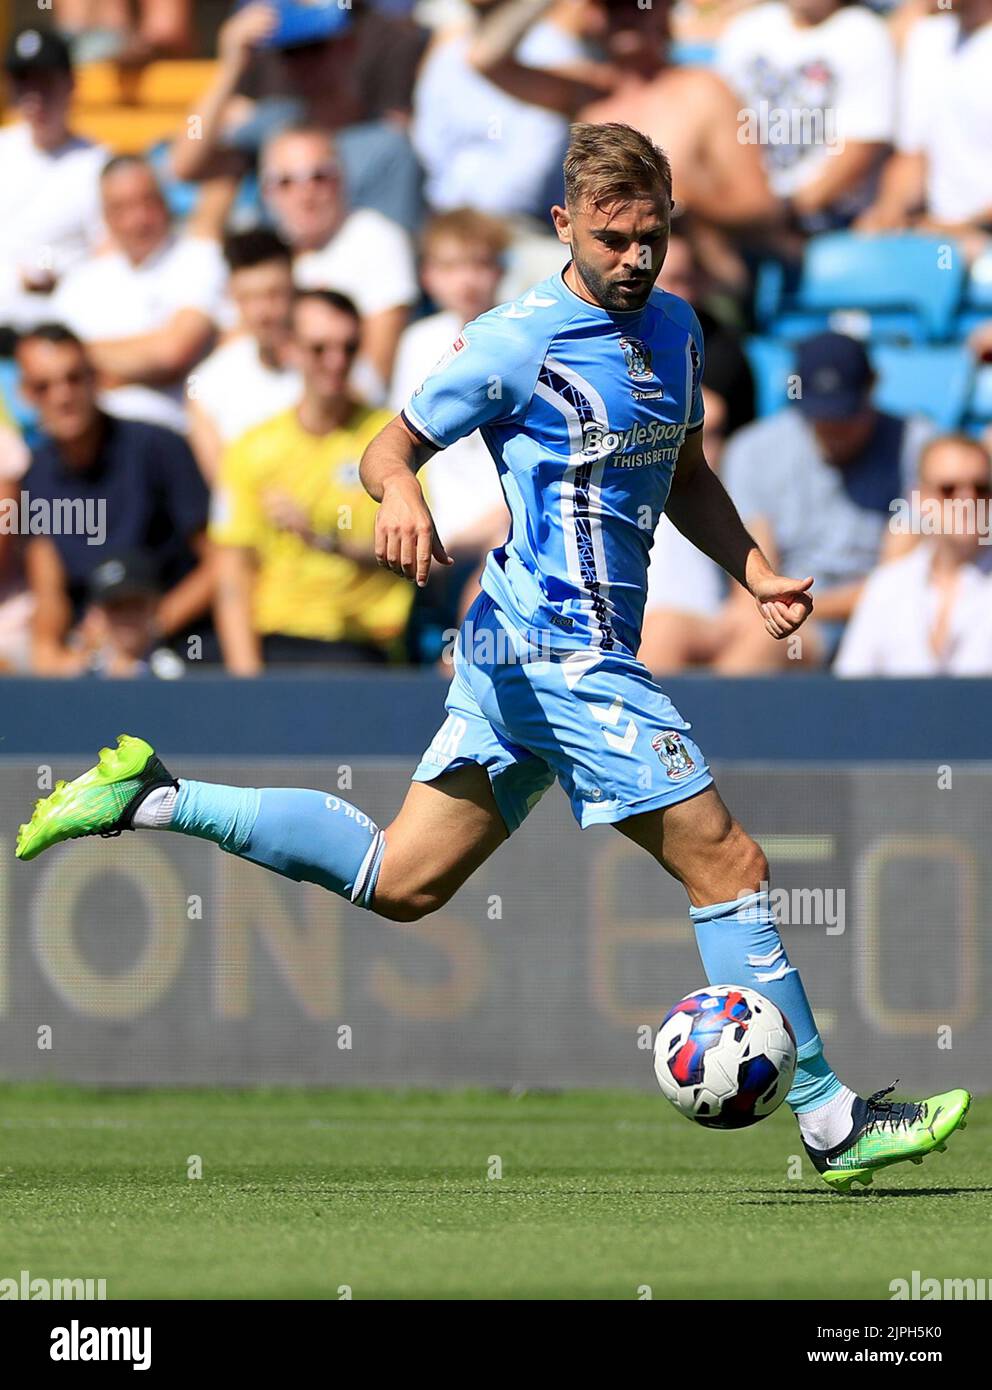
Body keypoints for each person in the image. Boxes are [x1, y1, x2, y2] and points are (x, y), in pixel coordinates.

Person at [14, 124, 969, 1193]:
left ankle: (154, 796)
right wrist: (403, 491)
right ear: (562, 224)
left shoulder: (677, 328)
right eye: (612, 239)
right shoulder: (517, 340)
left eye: (651, 237)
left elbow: (683, 469)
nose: (634, 260)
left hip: (521, 644)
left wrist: (752, 573)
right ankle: (831, 1120)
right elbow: (389, 444)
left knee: (401, 878)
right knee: (729, 864)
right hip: (560, 648)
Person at [209, 289, 414, 674]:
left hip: (363, 649)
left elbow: (423, 555)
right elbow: (232, 574)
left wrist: (325, 541)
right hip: (276, 644)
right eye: (320, 348)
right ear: (290, 349)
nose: (336, 362)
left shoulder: (391, 438)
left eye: (349, 348)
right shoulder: (252, 448)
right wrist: (246, 678)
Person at [718, 332, 932, 669]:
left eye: (845, 412)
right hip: (773, 608)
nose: (834, 426)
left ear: (872, 387)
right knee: (667, 630)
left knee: (760, 647)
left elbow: (893, 587)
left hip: (860, 622)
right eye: (822, 413)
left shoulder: (916, 448)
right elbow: (752, 568)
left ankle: (713, 723)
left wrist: (792, 605)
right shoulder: (754, 450)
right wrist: (770, 604)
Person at [16, 325, 212, 676]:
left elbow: (220, 565)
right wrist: (52, 657)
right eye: (44, 386)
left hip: (181, 644)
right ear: (26, 395)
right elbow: (49, 594)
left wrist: (148, 627)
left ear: (96, 378)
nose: (62, 396)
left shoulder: (159, 448)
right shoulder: (36, 476)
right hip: (93, 656)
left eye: (74, 378)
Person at [51, 155, 227, 433]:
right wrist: (147, 367)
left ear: (165, 201)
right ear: (105, 216)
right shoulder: (78, 284)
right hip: (91, 443)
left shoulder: (199, 258)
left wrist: (88, 362)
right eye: (122, 208)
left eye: (148, 201)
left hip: (172, 433)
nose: (139, 219)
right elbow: (56, 367)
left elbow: (174, 352)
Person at [389, 210, 511, 587]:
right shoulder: (418, 343)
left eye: (479, 264)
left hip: (504, 525)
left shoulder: (519, 338)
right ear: (428, 276)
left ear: (500, 270)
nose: (467, 279)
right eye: (451, 266)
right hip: (437, 527)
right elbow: (404, 441)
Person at [260, 127, 419, 397]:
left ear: (343, 180)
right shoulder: (264, 252)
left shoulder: (378, 239)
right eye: (286, 181)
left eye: (319, 177)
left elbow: (375, 372)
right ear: (266, 193)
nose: (305, 193)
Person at [717, 0, 897, 230]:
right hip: (749, 212)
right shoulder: (745, 30)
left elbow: (860, 149)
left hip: (830, 219)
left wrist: (787, 212)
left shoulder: (865, 36)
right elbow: (720, 131)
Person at [835, 435, 992, 676]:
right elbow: (850, 685)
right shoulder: (887, 585)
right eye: (948, 489)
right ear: (920, 499)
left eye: (981, 489)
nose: (967, 500)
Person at [857, 0, 992, 259]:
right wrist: (888, 212)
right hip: (937, 238)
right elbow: (913, 154)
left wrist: (963, 227)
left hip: (972, 244)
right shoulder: (927, 38)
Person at [0, 27, 107, 336]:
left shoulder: (98, 163)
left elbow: (109, 254)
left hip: (67, 322)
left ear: (71, 83)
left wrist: (60, 278)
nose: (35, 97)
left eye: (45, 83)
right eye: (24, 83)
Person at [187, 229, 301, 482]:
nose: (263, 312)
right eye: (248, 298)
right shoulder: (207, 385)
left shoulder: (334, 363)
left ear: (294, 289)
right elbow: (225, 488)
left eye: (274, 294)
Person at [78, 551, 187, 680]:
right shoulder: (81, 674)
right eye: (117, 606)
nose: (127, 616)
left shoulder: (174, 675)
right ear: (97, 614)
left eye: (136, 606)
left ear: (154, 608)